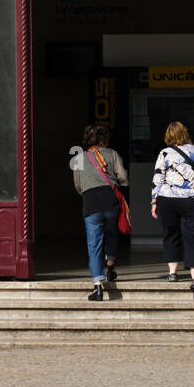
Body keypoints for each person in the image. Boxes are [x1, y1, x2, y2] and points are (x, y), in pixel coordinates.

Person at [151, 121, 194, 301]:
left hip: (168, 199)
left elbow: (158, 177)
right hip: (193, 200)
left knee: (170, 234)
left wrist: (154, 201)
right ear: (185, 133)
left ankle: (172, 272)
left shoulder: (164, 153)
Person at [72, 123, 129, 303]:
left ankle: (97, 287)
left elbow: (78, 185)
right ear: (105, 139)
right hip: (110, 198)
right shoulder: (112, 154)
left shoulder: (79, 158)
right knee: (112, 232)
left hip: (91, 201)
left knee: (94, 243)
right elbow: (124, 178)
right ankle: (110, 268)